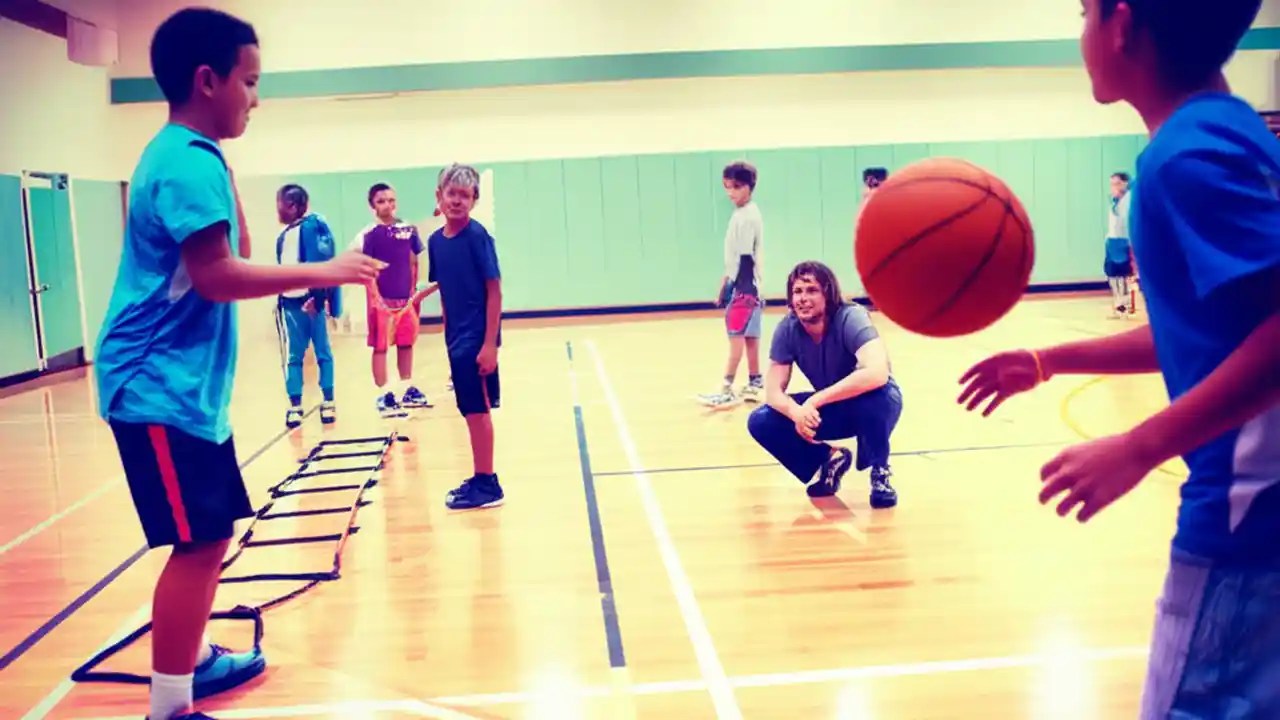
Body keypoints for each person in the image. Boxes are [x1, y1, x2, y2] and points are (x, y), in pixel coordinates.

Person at [957, 0, 1280, 716]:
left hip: (1245, 519)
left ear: (1123, 23)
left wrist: (1140, 446)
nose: (1081, 33)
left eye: (1082, 12)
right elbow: (1213, 329)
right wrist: (1047, 360)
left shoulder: (1184, 158)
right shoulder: (1228, 130)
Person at [92, 8, 382, 720]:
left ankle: (189, 660)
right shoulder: (185, 163)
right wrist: (324, 272)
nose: (256, 97)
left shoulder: (194, 156)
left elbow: (231, 251)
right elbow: (219, 275)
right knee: (196, 543)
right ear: (206, 79)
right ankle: (170, 707)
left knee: (211, 532)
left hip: (187, 391)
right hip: (154, 385)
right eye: (249, 82)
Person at [746, 261, 902, 508]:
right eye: (797, 291)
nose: (803, 299)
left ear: (827, 294)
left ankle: (880, 473)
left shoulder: (851, 317)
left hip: (873, 401)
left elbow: (877, 373)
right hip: (835, 407)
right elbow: (773, 392)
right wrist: (796, 413)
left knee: (880, 396)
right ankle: (828, 460)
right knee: (761, 420)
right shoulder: (788, 328)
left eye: (811, 290)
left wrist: (815, 400)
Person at [427, 164, 505, 510]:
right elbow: (444, 290)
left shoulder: (477, 236)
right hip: (455, 340)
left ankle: (487, 483)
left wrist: (490, 344)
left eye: (465, 195)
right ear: (439, 196)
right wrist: (448, 342)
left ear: (474, 201)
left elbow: (494, 291)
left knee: (477, 410)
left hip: (477, 338)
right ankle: (480, 476)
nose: (457, 201)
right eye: (451, 193)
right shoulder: (434, 242)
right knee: (467, 408)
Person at [359, 183, 431, 416]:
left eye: (391, 200)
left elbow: (414, 260)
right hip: (381, 302)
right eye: (381, 201)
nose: (387, 205)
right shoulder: (370, 235)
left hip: (405, 301)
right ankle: (383, 393)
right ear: (372, 206)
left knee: (406, 343)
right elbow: (367, 269)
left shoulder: (408, 230)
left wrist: (415, 292)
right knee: (380, 347)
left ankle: (405, 388)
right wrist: (375, 299)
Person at [700, 161, 766, 408]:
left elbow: (746, 257)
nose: (731, 192)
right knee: (750, 337)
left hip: (745, 288)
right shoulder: (746, 213)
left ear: (749, 187)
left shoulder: (746, 217)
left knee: (736, 337)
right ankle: (755, 382)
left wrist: (738, 290)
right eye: (727, 187)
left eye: (736, 187)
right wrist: (726, 279)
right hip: (750, 286)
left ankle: (726, 389)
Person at [273, 184, 340, 427]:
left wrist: (319, 297)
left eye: (279, 204)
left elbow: (321, 261)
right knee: (294, 355)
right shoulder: (283, 236)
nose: (277, 209)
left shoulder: (313, 226)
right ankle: (295, 405)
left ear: (291, 205)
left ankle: (328, 401)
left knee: (322, 351)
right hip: (290, 304)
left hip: (312, 302)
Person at [1103, 171, 1136, 318]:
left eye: (1116, 183)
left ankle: (1125, 306)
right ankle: (1118, 305)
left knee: (1123, 274)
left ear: (1124, 184)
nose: (1113, 187)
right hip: (1112, 240)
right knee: (1112, 273)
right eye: (1112, 184)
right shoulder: (1114, 200)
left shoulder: (1129, 198)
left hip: (1124, 240)